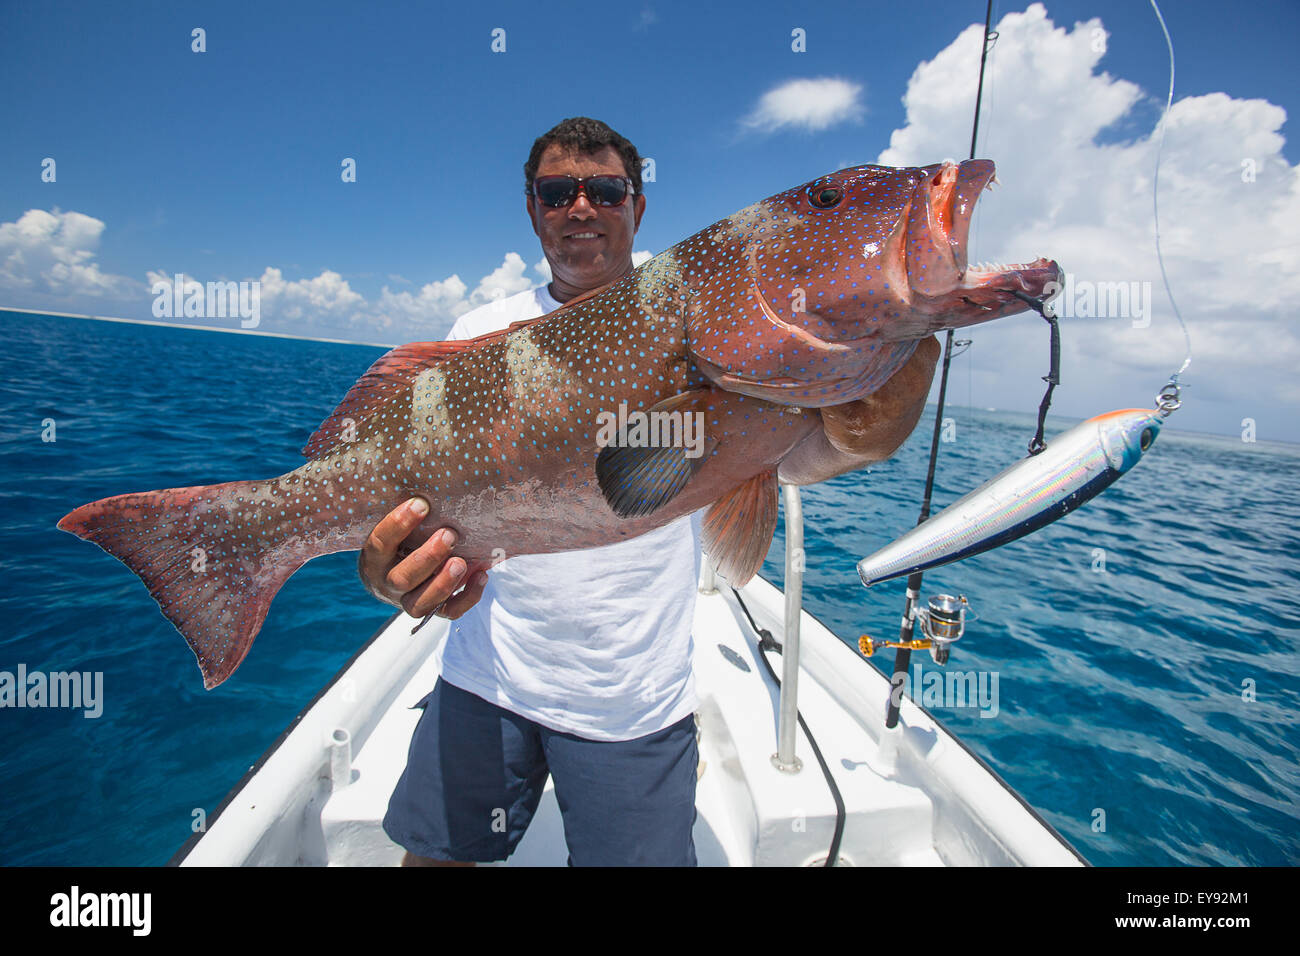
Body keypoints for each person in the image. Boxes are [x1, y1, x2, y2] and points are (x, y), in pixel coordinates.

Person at [369, 117, 940, 866]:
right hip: (484, 676)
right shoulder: (480, 330)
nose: (581, 208)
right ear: (532, 210)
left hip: (632, 703)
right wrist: (389, 570)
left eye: (606, 190)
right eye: (556, 192)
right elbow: (406, 505)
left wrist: (899, 338)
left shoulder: (719, 323)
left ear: (637, 209)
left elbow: (827, 448)